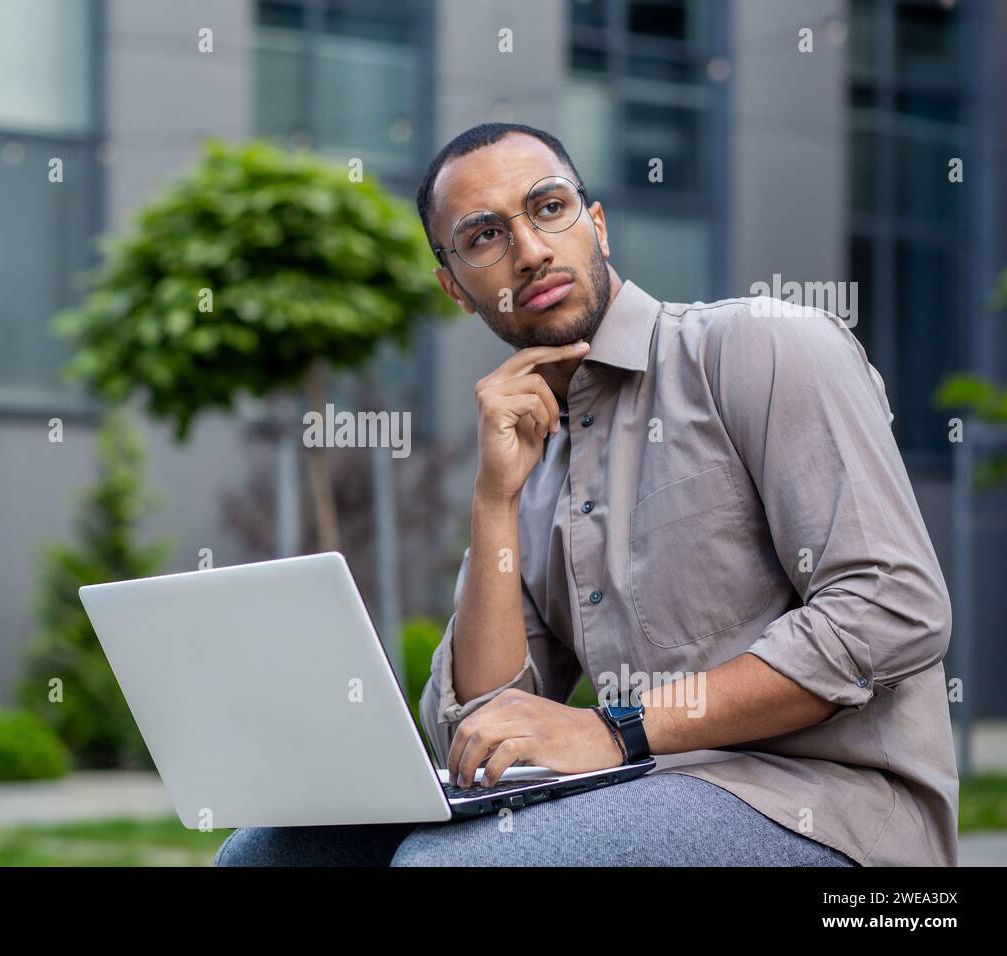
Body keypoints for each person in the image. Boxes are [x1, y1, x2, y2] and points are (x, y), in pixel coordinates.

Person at [216, 123, 957, 867]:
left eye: (547, 208)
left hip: (832, 811)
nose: (531, 250)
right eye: (483, 236)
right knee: (269, 855)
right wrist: (495, 500)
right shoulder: (534, 452)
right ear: (455, 289)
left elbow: (891, 609)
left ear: (594, 225)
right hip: (641, 790)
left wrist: (615, 731)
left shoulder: (762, 347)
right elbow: (476, 727)